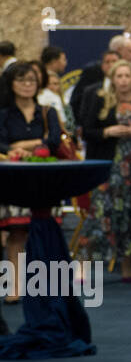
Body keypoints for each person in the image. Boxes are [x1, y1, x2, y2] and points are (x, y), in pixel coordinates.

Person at [78, 61, 131, 281]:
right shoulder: (100, 101)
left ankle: (127, 264)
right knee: (100, 214)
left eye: (127, 76)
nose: (124, 80)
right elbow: (86, 131)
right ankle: (84, 262)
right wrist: (107, 131)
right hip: (109, 167)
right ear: (113, 79)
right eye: (119, 76)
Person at [0, 62, 62, 303]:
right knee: (16, 233)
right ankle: (15, 286)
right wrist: (33, 143)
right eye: (21, 80)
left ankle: (45, 286)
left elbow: (54, 141)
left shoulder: (48, 112)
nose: (27, 85)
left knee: (43, 231)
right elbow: (2, 143)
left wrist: (22, 145)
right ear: (11, 84)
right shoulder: (4, 114)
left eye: (32, 81)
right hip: (14, 178)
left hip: (44, 178)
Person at [38, 47, 73, 136]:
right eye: (63, 59)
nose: (65, 63)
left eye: (56, 84)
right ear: (54, 61)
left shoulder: (56, 78)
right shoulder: (44, 89)